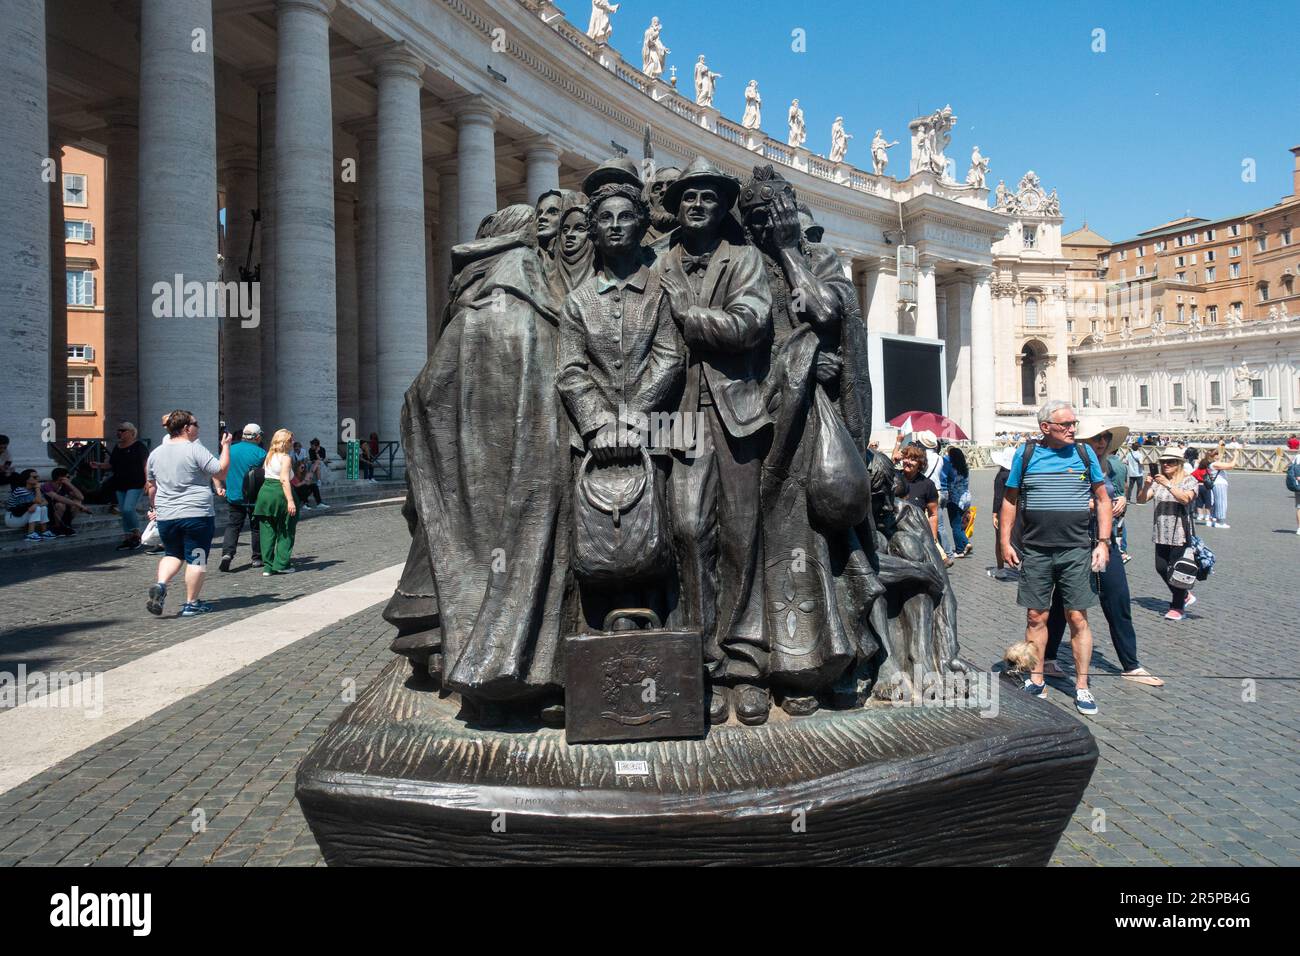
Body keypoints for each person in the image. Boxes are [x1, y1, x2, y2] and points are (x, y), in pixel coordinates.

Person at [651, 156, 772, 724]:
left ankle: (743, 665)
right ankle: (698, 657)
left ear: (724, 206)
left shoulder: (744, 259)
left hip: (736, 413)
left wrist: (688, 315)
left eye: (708, 197)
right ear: (675, 205)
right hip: (674, 413)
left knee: (742, 535)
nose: (697, 205)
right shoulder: (655, 261)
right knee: (687, 528)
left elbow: (751, 323)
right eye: (688, 197)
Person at [999, 399, 1111, 716]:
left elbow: (1102, 500)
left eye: (1074, 424)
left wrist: (1103, 542)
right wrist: (1004, 541)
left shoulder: (1084, 453)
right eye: (1066, 425)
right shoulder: (1027, 454)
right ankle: (1036, 680)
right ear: (1045, 427)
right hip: (1035, 549)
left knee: (1078, 617)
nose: (1073, 429)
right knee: (1036, 616)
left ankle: (1082, 686)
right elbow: (1010, 499)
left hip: (1076, 548)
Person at [1043, 421, 1163, 686]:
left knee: (1118, 598)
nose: (1101, 443)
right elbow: (1054, 498)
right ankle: (1048, 656)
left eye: (1105, 438)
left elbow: (1111, 495)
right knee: (1063, 602)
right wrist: (1093, 504)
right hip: (1074, 542)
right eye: (1096, 437)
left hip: (1105, 542)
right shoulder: (1068, 464)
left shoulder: (1109, 466)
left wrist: (1119, 500)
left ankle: (1130, 664)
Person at [144, 410, 232, 617]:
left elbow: (151, 485)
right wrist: (226, 447)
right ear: (186, 428)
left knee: (172, 553)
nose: (198, 427)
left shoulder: (155, 453)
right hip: (196, 514)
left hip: (167, 515)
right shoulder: (194, 449)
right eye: (196, 423)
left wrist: (155, 508)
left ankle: (161, 584)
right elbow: (220, 471)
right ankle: (191, 603)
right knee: (197, 559)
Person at [1138, 446, 1199, 621]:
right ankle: (1184, 594)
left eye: (1170, 462)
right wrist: (1148, 484)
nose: (1166, 465)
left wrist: (1168, 484)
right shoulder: (1159, 481)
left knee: (1177, 569)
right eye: (1163, 462)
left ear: (1179, 464)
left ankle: (1177, 606)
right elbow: (1142, 499)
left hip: (1179, 532)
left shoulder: (1189, 481)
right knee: (1161, 567)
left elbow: (1185, 499)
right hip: (1160, 531)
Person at [90, 421, 149, 549]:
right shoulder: (117, 447)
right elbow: (111, 464)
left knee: (128, 508)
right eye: (119, 430)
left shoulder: (139, 446)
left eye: (122, 430)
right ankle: (127, 537)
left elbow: (146, 464)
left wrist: (148, 480)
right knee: (123, 511)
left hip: (136, 483)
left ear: (131, 433)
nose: (119, 433)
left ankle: (136, 534)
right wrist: (99, 465)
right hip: (119, 483)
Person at [217, 423, 265, 572]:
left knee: (233, 526)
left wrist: (219, 486)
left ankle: (227, 554)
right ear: (257, 437)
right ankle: (257, 558)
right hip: (253, 497)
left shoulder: (230, 450)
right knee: (256, 527)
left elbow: (217, 468)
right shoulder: (261, 453)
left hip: (234, 495)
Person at [253, 428, 300, 575]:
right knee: (286, 529)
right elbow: (284, 479)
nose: (293, 443)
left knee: (267, 531)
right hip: (280, 494)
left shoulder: (269, 455)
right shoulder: (285, 458)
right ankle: (281, 564)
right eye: (291, 440)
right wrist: (290, 501)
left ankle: (268, 566)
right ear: (286, 442)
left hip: (265, 493)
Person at [900, 445, 940, 543]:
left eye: (913, 459)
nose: (908, 462)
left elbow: (933, 514)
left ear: (920, 464)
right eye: (906, 458)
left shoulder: (927, 485)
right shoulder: (894, 478)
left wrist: (933, 537)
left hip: (916, 533)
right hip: (894, 532)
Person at [988, 446, 1018, 580]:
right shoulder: (1018, 475)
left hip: (1003, 510)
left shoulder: (1001, 476)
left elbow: (998, 497)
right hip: (1018, 509)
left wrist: (994, 512)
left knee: (1000, 539)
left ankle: (1000, 569)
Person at [41, 468, 91, 536]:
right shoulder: (47, 486)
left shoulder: (64, 485)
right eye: (67, 477)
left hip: (63, 508)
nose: (69, 478)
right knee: (60, 505)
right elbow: (58, 498)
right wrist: (80, 506)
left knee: (77, 501)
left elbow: (81, 497)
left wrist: (70, 485)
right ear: (60, 477)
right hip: (50, 508)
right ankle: (57, 527)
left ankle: (67, 525)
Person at [941, 446, 971, 557]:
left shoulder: (951, 469)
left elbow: (949, 484)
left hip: (955, 499)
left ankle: (960, 549)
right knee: (960, 524)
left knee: (955, 525)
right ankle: (965, 543)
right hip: (966, 497)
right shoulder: (965, 468)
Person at [5, 470, 53, 540]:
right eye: (34, 477)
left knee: (43, 508)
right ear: (26, 479)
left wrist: (36, 504)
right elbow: (39, 501)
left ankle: (44, 532)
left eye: (37, 476)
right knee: (38, 508)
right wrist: (37, 488)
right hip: (13, 518)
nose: (37, 478)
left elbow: (46, 502)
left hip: (23, 515)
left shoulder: (34, 490)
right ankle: (30, 534)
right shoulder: (20, 490)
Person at [1207, 442, 1236, 528]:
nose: (1219, 456)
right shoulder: (1214, 464)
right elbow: (1231, 466)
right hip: (1219, 484)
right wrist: (1235, 456)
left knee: (1216, 502)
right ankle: (1220, 522)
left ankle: (1214, 519)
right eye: (1217, 455)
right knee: (1221, 502)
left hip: (1217, 484)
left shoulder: (1212, 464)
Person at [1191, 451, 1215, 525]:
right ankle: (1207, 515)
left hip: (1198, 486)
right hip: (1206, 486)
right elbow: (1211, 477)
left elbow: (1191, 475)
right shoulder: (1207, 471)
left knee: (1199, 501)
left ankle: (1200, 515)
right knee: (1208, 501)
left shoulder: (1197, 470)